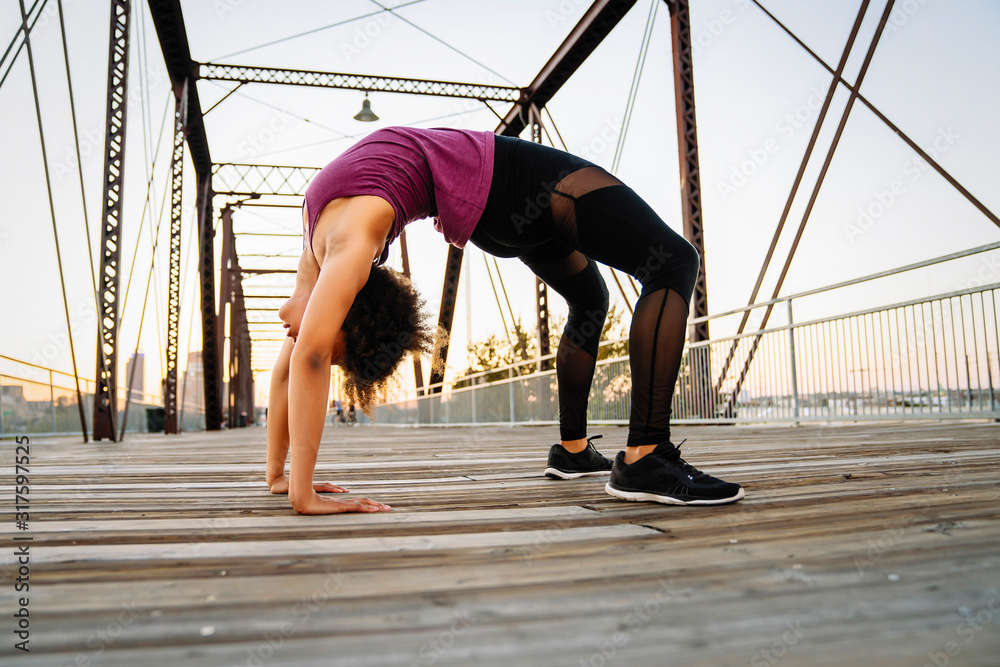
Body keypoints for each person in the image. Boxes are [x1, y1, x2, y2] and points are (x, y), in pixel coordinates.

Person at [266, 126, 744, 514]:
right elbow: (300, 361)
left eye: (332, 348)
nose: (315, 342)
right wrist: (286, 481)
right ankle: (646, 457)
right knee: (673, 262)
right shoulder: (331, 248)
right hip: (507, 187)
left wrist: (292, 485)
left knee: (591, 300)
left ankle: (574, 452)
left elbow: (299, 361)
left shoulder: (340, 245)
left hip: (499, 206)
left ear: (346, 311)